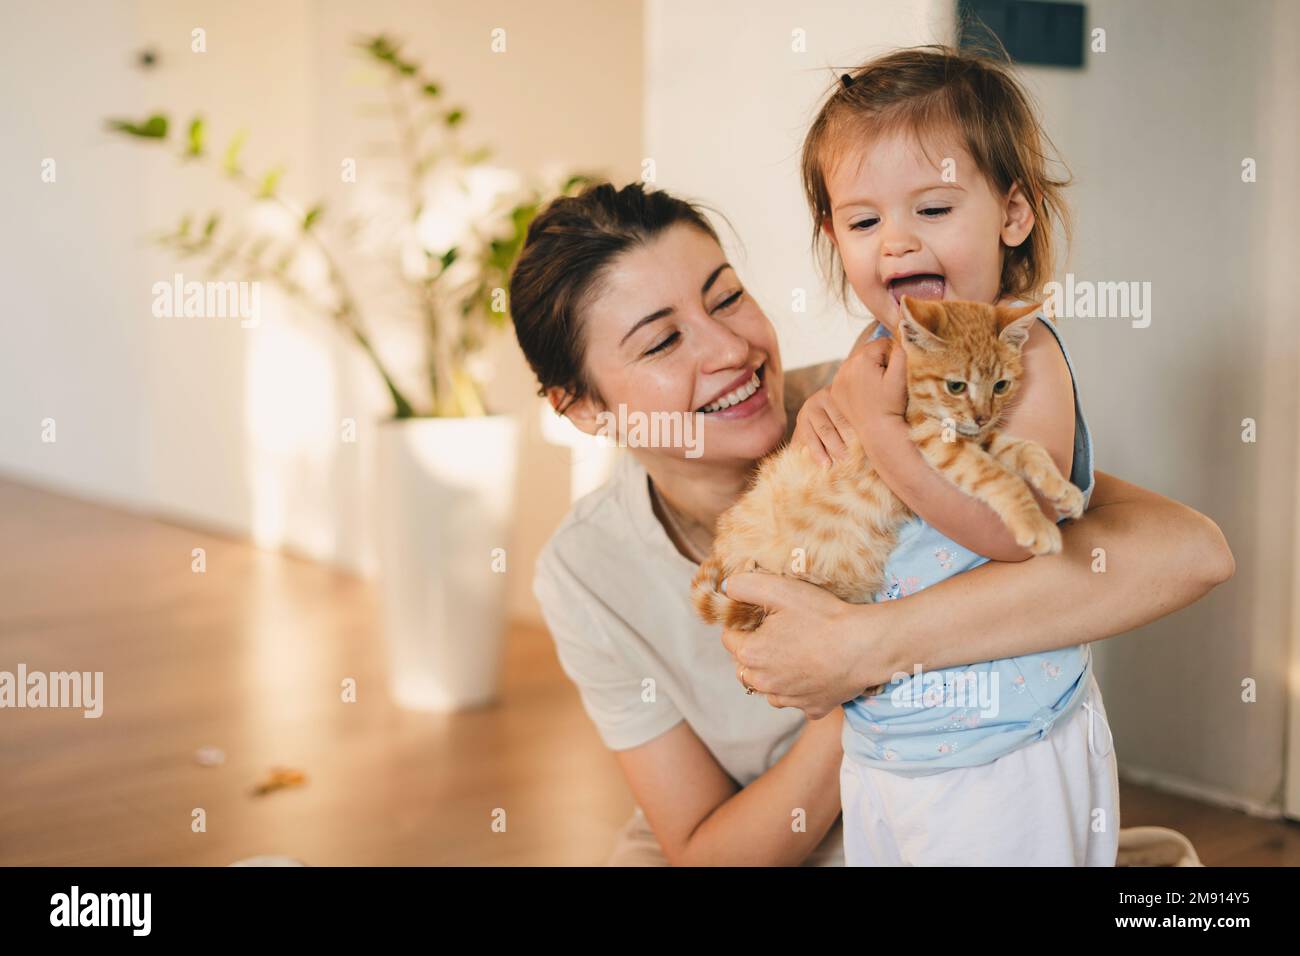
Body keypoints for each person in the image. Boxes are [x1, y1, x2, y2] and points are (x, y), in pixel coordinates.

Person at [509, 180, 1233, 866]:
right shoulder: (587, 569)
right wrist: (847, 687)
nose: (732, 351)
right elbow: (708, 850)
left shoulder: (881, 389)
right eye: (663, 342)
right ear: (583, 409)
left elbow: (1191, 553)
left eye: (727, 297)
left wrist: (865, 651)